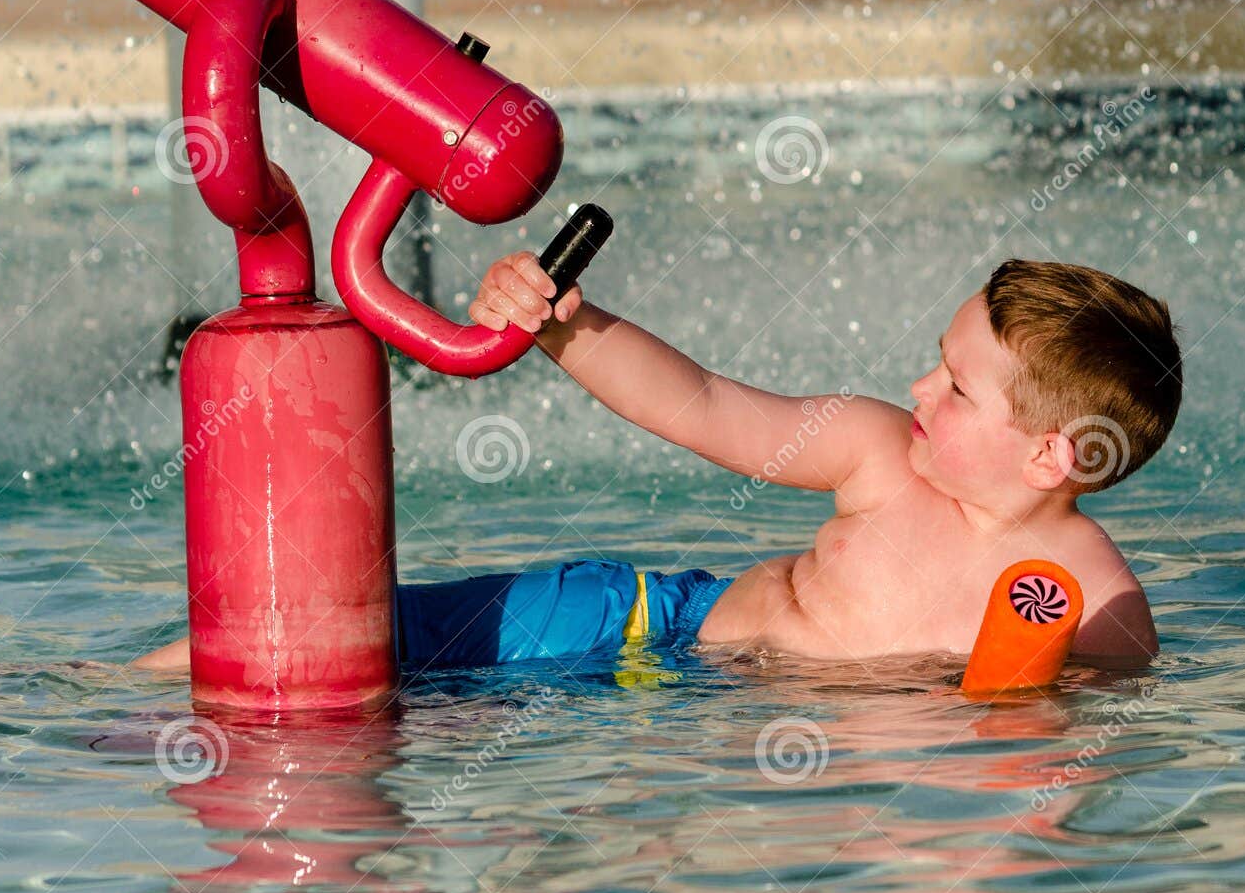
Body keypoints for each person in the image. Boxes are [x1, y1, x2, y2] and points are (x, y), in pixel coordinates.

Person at [132, 254, 1178, 676]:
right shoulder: (879, 453)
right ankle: (134, 686)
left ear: (1053, 451)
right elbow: (706, 405)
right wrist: (567, 329)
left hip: (710, 733)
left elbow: (1044, 761)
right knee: (350, 646)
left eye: (953, 384)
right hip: (651, 626)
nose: (917, 387)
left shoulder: (1097, 604)